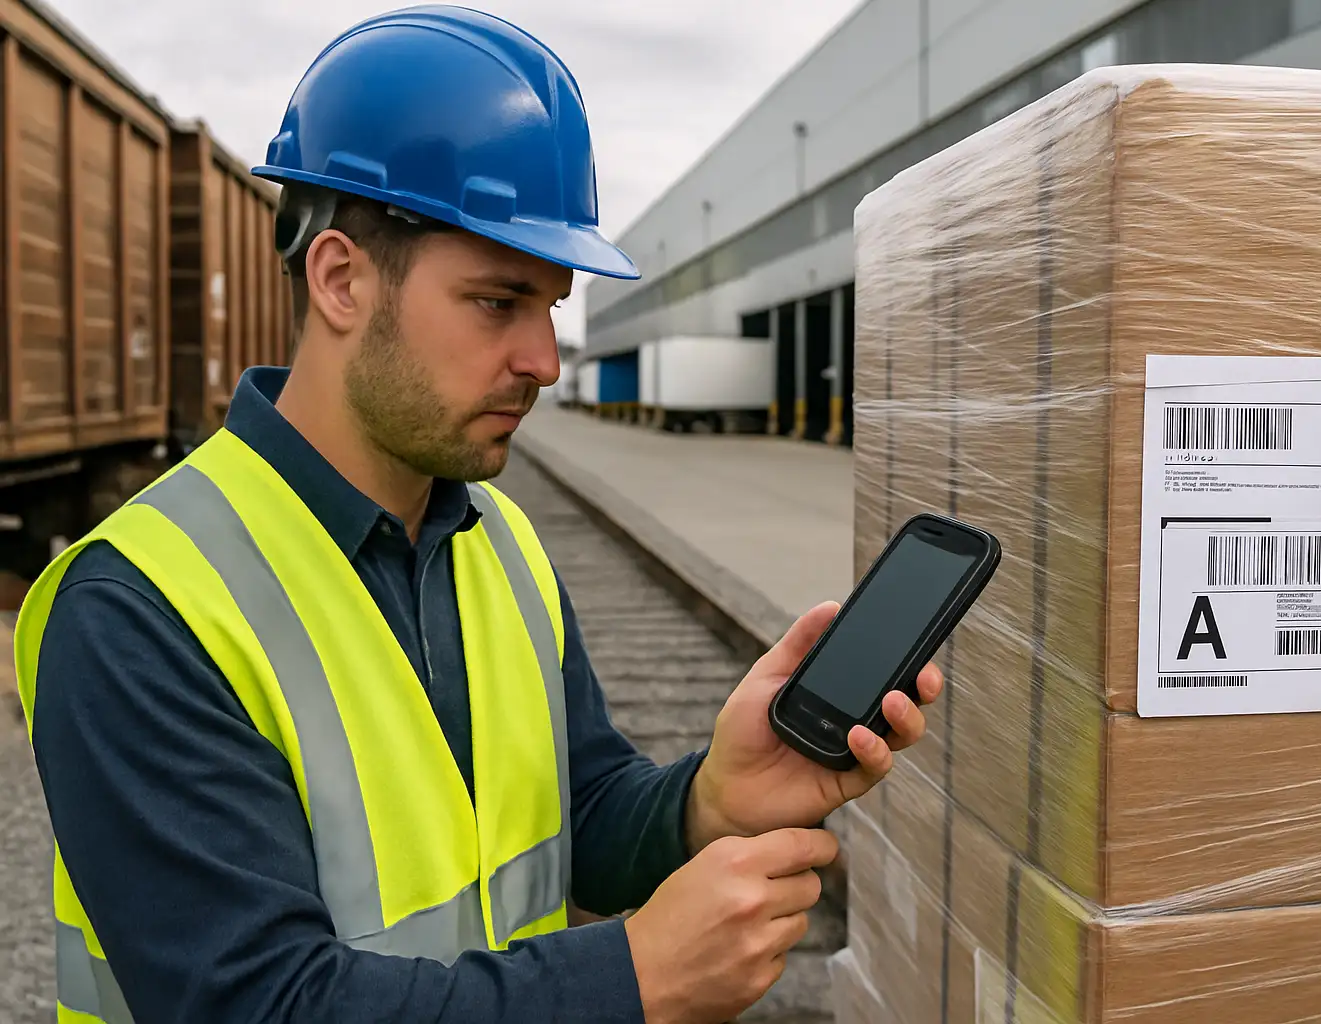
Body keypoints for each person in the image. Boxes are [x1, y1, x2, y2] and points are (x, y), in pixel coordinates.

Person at [14, 8, 943, 1023]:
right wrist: (631, 980)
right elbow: (258, 1001)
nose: (544, 360)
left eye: (550, 307)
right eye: (499, 302)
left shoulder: (496, 541)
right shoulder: (139, 604)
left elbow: (574, 812)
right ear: (341, 280)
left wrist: (706, 800)